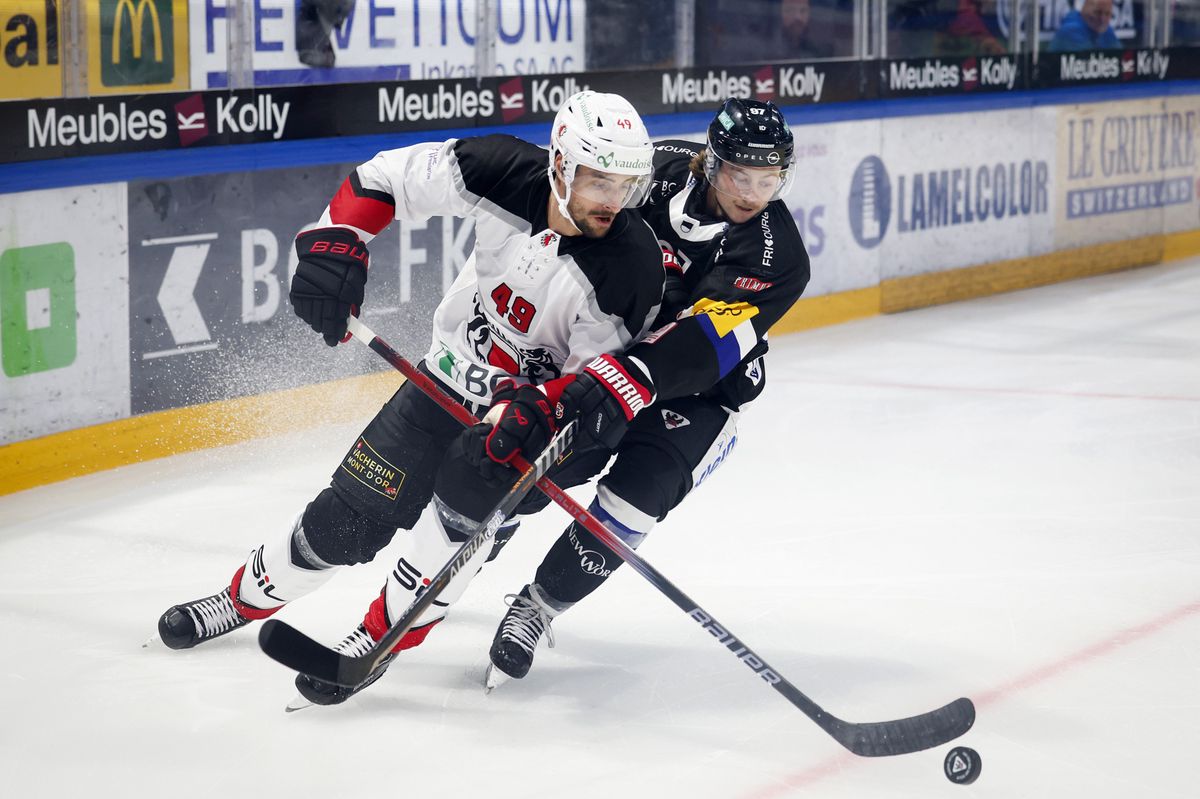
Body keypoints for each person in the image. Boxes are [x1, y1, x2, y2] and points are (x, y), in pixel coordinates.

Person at [154, 91, 666, 707]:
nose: (613, 201)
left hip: (519, 436)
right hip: (439, 384)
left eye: (627, 186)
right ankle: (240, 600)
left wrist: (539, 409)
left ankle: (373, 644)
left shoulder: (631, 267)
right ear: (559, 162)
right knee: (342, 522)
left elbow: (593, 391)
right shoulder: (499, 168)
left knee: (446, 538)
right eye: (599, 180)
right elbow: (383, 179)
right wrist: (339, 237)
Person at [464, 98, 812, 688]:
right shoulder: (653, 169)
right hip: (610, 354)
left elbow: (707, 339)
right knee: (540, 460)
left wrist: (634, 377)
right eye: (740, 175)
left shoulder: (780, 257)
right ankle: (491, 530)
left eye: (769, 179)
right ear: (710, 160)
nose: (753, 193)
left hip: (699, 393)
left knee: (634, 501)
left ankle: (538, 608)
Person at [1048, 0, 1121, 51]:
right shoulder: (1071, 30)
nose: (1102, 19)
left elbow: (1121, 58)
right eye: (1098, 13)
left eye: (1107, 14)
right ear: (1085, 10)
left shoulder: (1106, 30)